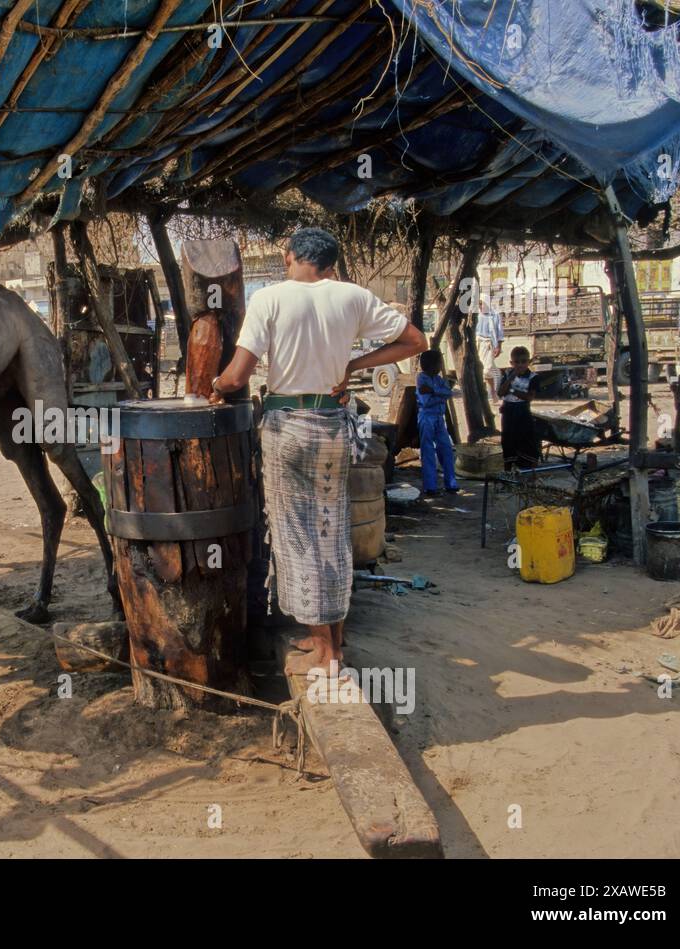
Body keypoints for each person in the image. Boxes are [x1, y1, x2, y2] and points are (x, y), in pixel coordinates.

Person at [209, 227, 427, 675]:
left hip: (288, 426)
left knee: (298, 538)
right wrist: (353, 364)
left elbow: (236, 376)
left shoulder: (270, 299)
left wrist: (214, 387)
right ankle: (334, 640)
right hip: (333, 425)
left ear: (289, 256)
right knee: (331, 530)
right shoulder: (353, 296)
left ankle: (323, 652)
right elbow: (416, 341)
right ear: (329, 263)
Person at [416, 349, 458, 496]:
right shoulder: (422, 379)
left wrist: (433, 391)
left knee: (446, 449)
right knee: (428, 451)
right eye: (439, 363)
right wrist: (439, 393)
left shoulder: (438, 380)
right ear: (431, 365)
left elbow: (448, 393)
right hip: (426, 417)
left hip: (439, 418)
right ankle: (430, 486)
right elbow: (426, 402)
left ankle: (451, 483)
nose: (441, 366)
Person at [499, 345, 540, 469]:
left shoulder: (533, 377)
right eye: (517, 362)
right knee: (508, 440)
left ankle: (529, 471)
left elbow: (528, 397)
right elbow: (500, 393)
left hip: (522, 412)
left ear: (528, 362)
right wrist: (511, 377)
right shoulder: (507, 374)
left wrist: (511, 390)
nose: (520, 365)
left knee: (527, 440)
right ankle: (508, 469)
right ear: (511, 363)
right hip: (508, 412)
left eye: (523, 362)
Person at [476, 293, 504, 401]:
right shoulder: (476, 314)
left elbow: (499, 332)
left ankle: (492, 391)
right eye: (478, 304)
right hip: (477, 343)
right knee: (478, 369)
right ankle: (482, 394)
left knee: (487, 370)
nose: (480, 306)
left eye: (481, 303)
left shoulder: (494, 315)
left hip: (488, 344)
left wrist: (498, 346)